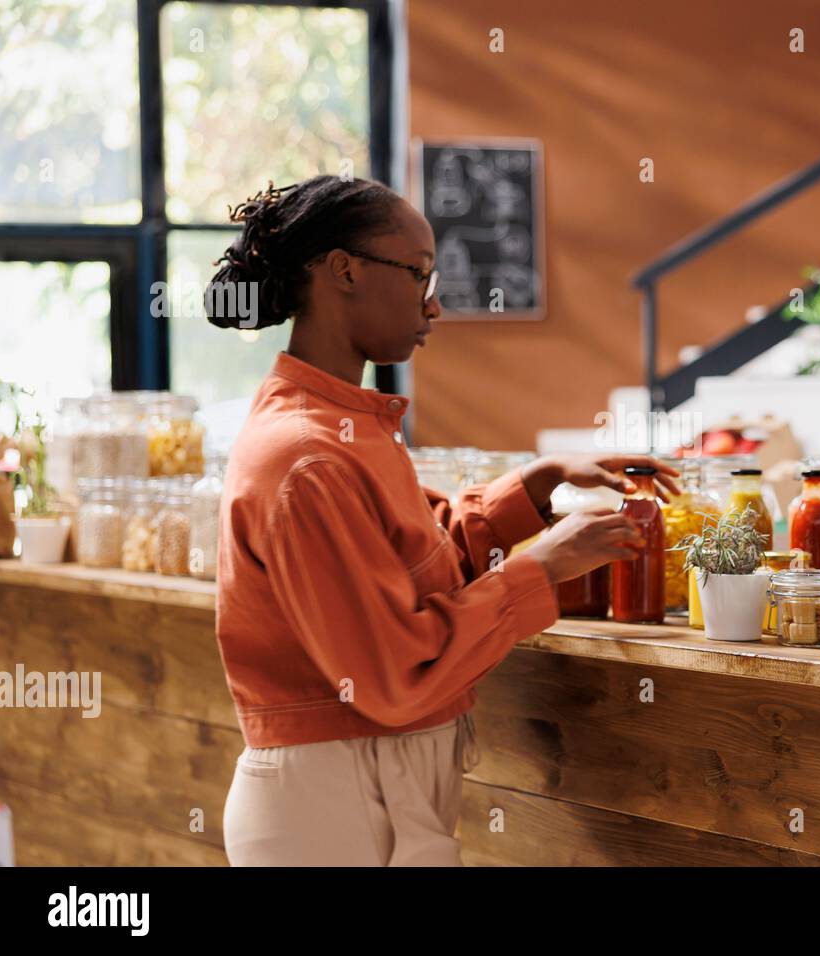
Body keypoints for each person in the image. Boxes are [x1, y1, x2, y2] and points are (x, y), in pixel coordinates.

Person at [207, 175, 679, 865]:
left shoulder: (338, 426)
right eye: (419, 274)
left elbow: (412, 564)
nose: (434, 304)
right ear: (344, 271)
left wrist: (538, 483)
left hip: (360, 794)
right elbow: (392, 672)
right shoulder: (309, 456)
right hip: (332, 806)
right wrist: (543, 566)